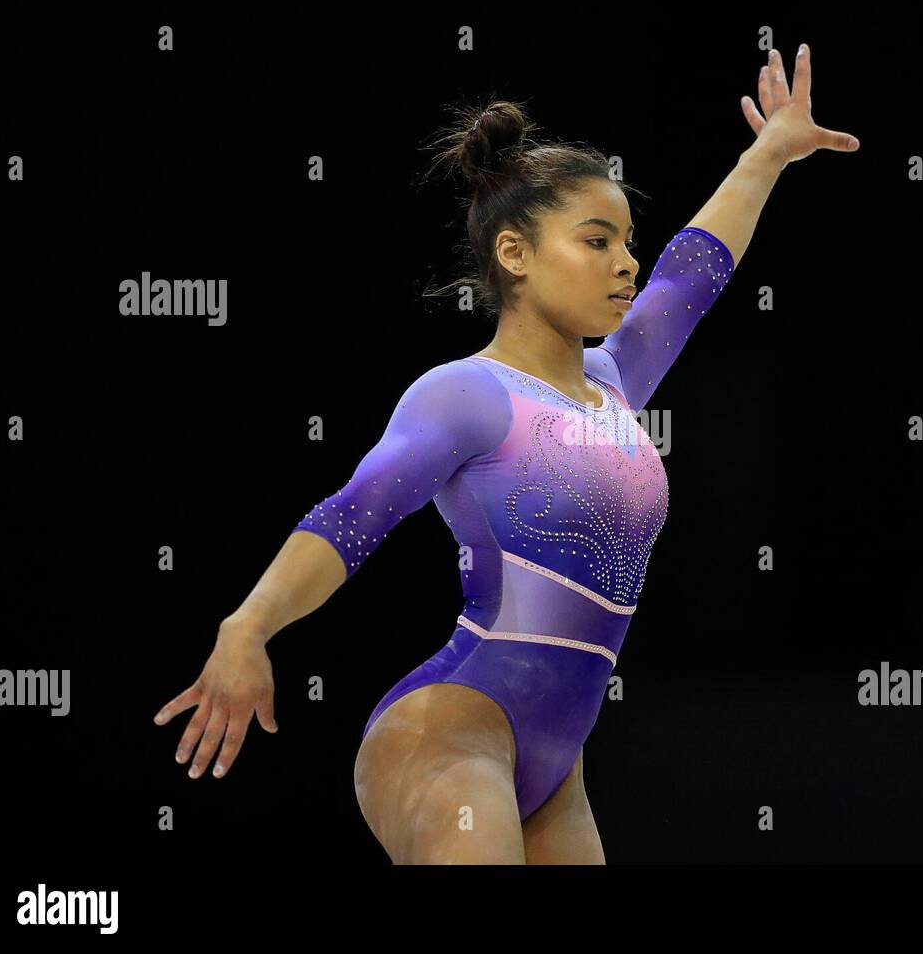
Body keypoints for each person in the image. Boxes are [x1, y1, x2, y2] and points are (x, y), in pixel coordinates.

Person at [153, 44, 859, 864]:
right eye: (596, 241)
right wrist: (247, 629)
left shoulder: (616, 382)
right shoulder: (466, 394)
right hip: (447, 737)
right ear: (514, 255)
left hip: (559, 774)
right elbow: (352, 515)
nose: (626, 261)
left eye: (627, 240)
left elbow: (691, 272)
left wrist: (767, 153)